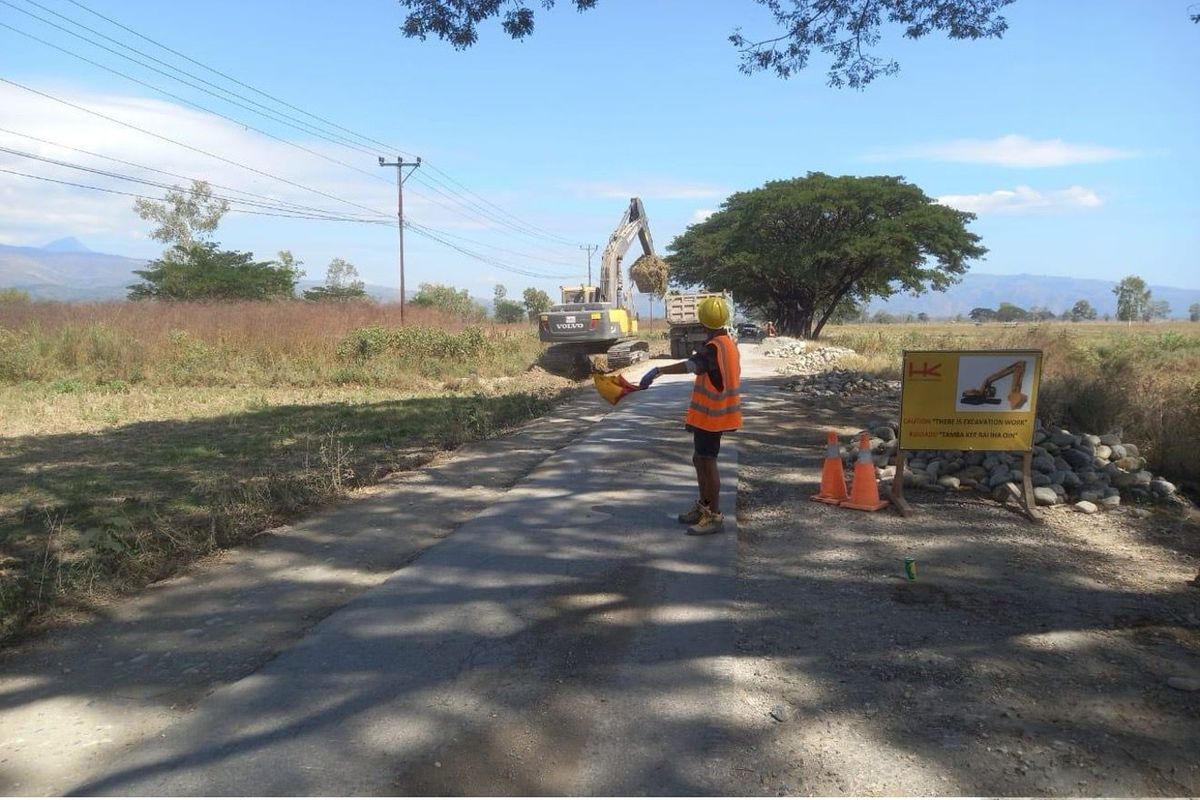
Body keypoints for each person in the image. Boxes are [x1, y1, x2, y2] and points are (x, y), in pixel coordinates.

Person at [637, 296, 741, 535]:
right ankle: (704, 507)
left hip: (713, 417)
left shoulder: (715, 349)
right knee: (699, 459)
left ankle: (714, 516)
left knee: (707, 461)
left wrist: (659, 370)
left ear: (703, 322)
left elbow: (691, 366)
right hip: (712, 416)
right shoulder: (726, 343)